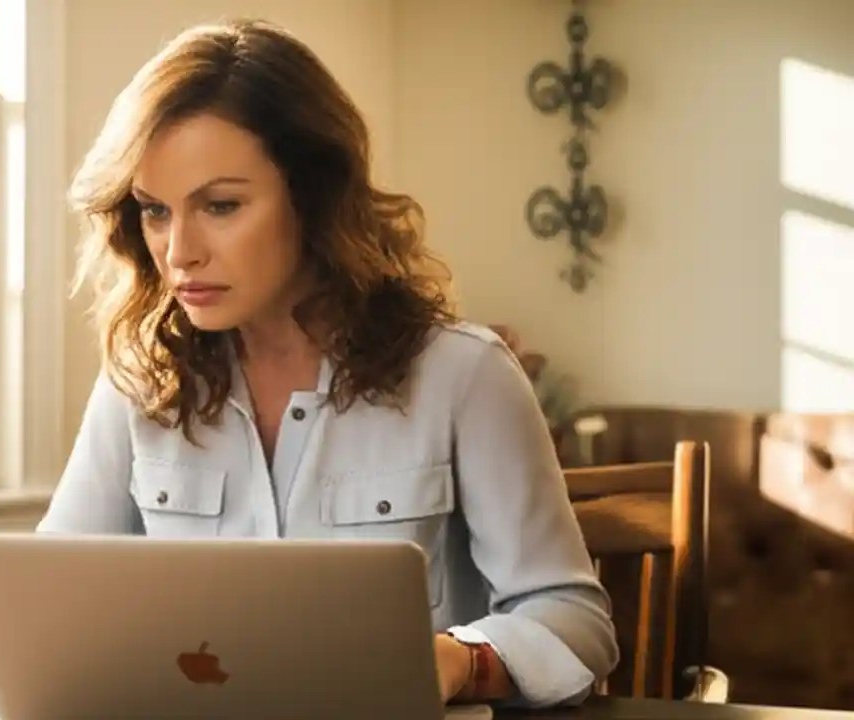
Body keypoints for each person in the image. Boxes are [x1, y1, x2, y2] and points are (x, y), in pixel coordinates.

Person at [36, 17, 618, 708]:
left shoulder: (465, 376)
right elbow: (48, 606)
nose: (179, 250)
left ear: (313, 196)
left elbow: (576, 622)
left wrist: (460, 659)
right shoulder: (141, 380)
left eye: (221, 206)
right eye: (155, 211)